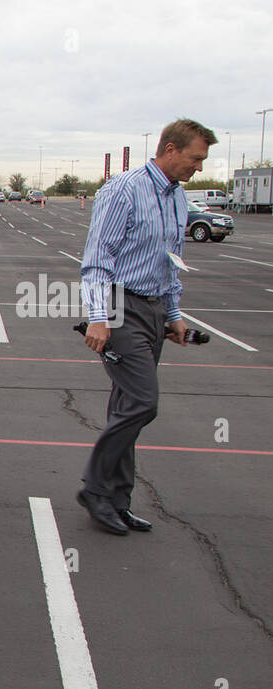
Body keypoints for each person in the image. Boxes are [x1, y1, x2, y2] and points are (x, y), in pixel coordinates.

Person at [77, 118, 216, 535]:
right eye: (195, 158)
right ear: (170, 149)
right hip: (120, 307)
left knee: (126, 407)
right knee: (142, 403)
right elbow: (98, 258)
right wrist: (99, 317)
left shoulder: (177, 198)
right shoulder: (125, 189)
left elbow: (170, 262)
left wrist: (172, 315)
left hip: (154, 310)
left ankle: (118, 500)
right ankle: (95, 489)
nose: (200, 168)